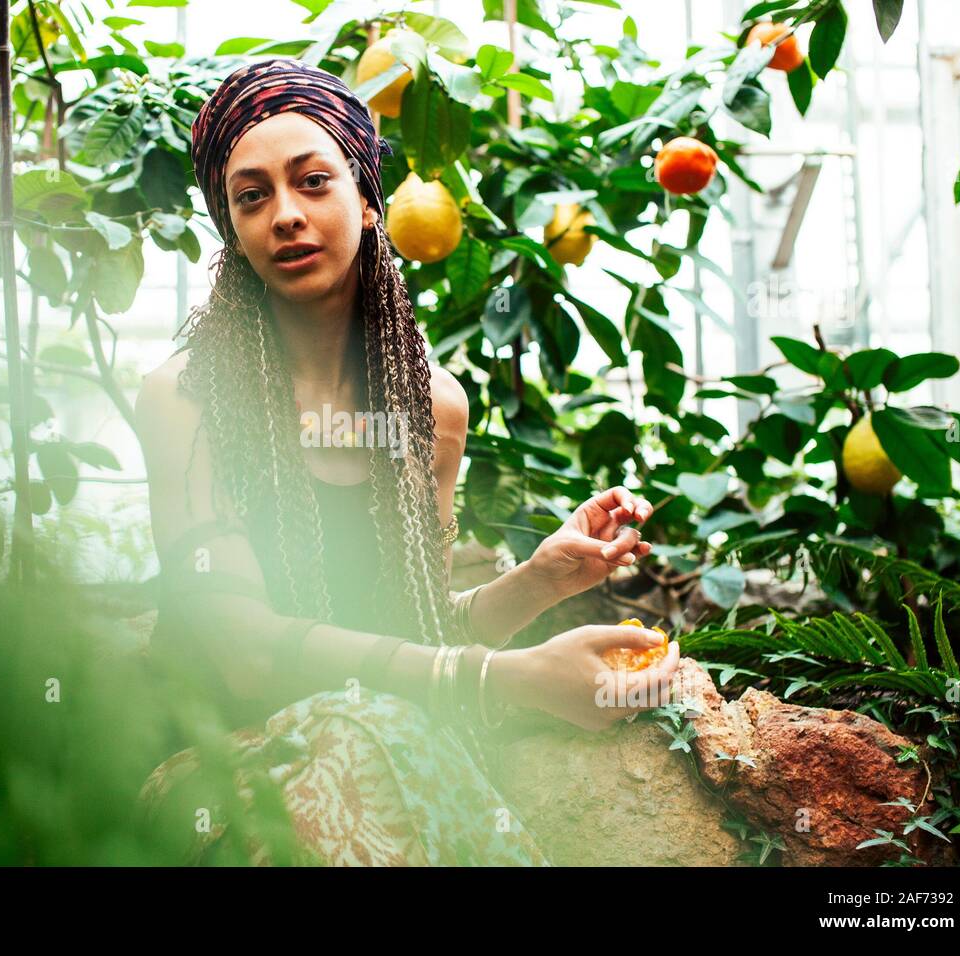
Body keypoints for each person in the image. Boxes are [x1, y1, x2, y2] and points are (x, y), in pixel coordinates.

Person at [133, 57, 680, 866]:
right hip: (215, 769)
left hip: (379, 743)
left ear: (365, 197)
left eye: (312, 182)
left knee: (387, 729)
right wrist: (505, 678)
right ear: (233, 231)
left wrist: (541, 580)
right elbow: (241, 651)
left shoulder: (435, 409)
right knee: (383, 730)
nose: (286, 214)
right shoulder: (186, 396)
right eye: (253, 196)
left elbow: (404, 632)